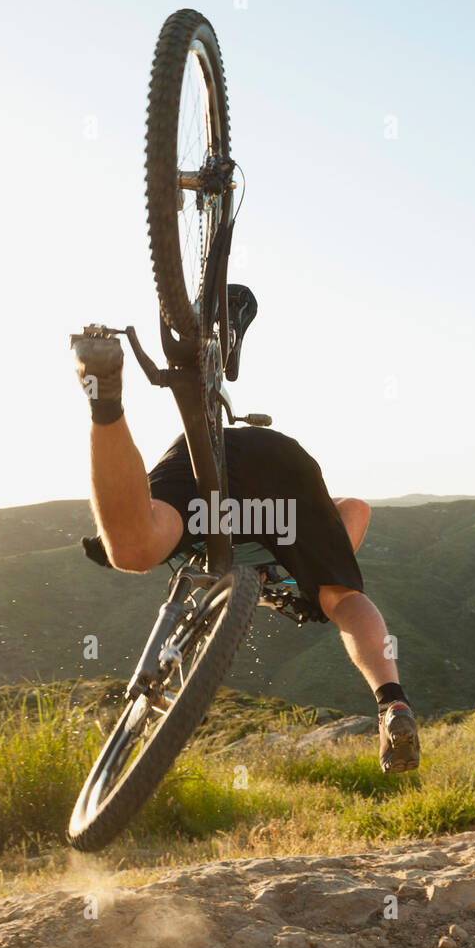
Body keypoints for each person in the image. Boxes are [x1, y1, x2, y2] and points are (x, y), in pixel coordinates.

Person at [70, 285, 420, 773]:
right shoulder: (290, 581)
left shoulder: (190, 534)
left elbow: (356, 508)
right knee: (340, 597)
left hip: (212, 458)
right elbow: (356, 508)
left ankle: (105, 396)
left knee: (130, 544)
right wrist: (314, 570)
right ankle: (391, 704)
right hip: (279, 467)